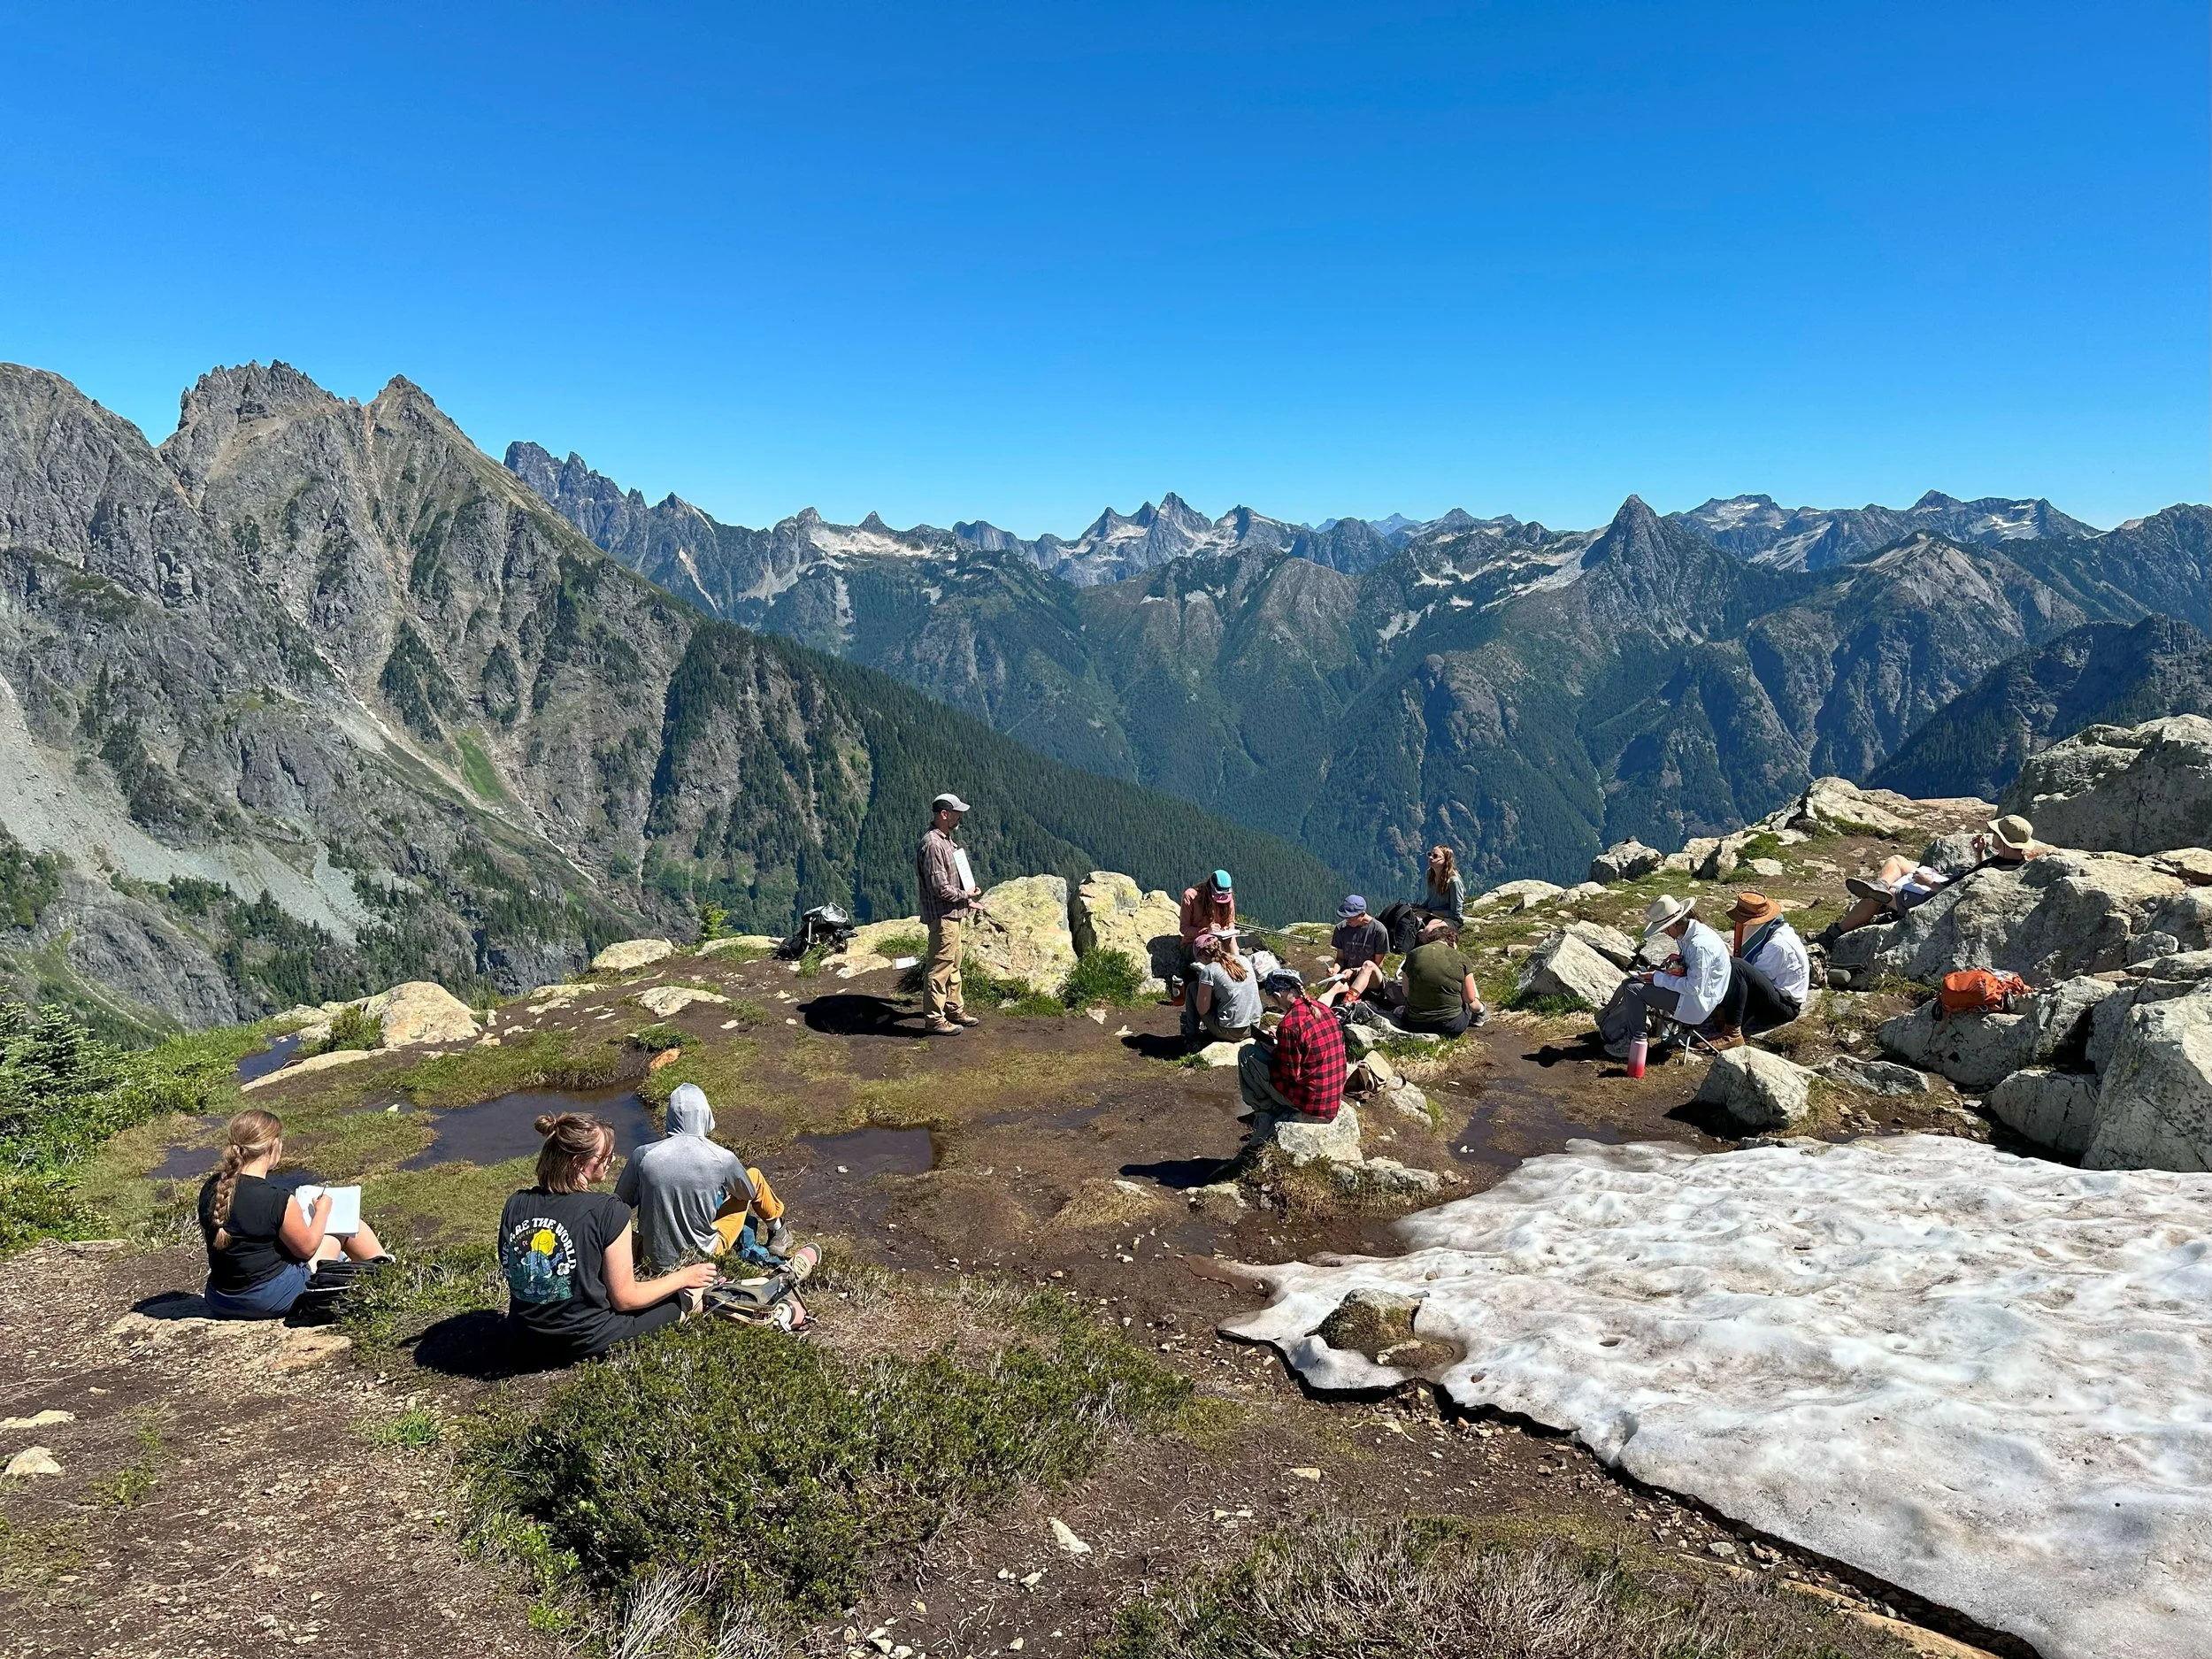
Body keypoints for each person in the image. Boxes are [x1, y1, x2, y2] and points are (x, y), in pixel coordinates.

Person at [499, 1112, 717, 1363]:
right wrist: (684, 1277)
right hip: (582, 1340)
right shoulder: (609, 1210)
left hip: (523, 1337)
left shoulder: (515, 1204)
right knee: (691, 1297)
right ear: (578, 1162)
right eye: (604, 1156)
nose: (611, 1161)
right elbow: (625, 1299)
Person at [197, 1110, 392, 1318]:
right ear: (273, 1147)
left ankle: (383, 1271)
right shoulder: (276, 1199)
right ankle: (389, 1277)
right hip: (269, 1299)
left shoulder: (213, 1188)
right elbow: (306, 1250)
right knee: (346, 1226)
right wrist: (322, 1212)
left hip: (220, 1298)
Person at [615, 1082, 788, 1272]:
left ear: (670, 1117)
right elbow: (747, 1193)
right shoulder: (722, 1157)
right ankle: (778, 1229)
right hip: (701, 1259)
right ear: (705, 1114)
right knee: (752, 1176)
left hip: (651, 1261)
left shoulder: (642, 1155)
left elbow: (618, 1203)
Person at [1811, 815, 2040, 949]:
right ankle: (1881, 888)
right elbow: (1973, 880)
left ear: (2005, 841)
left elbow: (1956, 896)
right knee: (1898, 860)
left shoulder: (2000, 870)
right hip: (1943, 882)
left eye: (1996, 835)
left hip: (1935, 897)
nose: (1992, 837)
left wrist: (1927, 881)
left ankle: (1834, 935)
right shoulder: (2010, 860)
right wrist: (1979, 855)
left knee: (1877, 896)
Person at [1236, 969, 1348, 1149]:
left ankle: (1264, 1115)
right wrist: (1281, 1044)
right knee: (1260, 1050)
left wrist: (1275, 1052)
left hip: (1312, 1103)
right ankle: (1267, 1111)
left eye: (1272, 997)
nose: (1274, 1002)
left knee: (1247, 1054)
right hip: (1332, 1096)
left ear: (1279, 994)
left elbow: (1288, 1075)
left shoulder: (1289, 1025)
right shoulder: (1322, 1008)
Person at [1621, 894, 1735, 1048]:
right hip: (1697, 996)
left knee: (1633, 989)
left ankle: (1636, 1043)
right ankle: (1638, 1037)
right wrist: (1672, 966)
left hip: (1697, 1003)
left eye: (1664, 930)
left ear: (1673, 925)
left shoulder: (1699, 946)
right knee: (1632, 983)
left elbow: (1693, 987)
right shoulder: (1690, 934)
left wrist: (1658, 978)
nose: (1664, 934)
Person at [917, 790, 983, 1036]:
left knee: (953, 964)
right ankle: (934, 1019)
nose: (960, 817)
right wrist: (966, 896)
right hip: (943, 917)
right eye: (956, 813)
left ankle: (954, 1008)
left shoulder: (945, 840)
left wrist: (967, 903)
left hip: (953, 913)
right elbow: (940, 888)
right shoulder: (934, 844)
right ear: (944, 814)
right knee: (940, 966)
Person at [1717, 891, 1810, 1035]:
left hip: (1784, 1005)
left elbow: (1753, 979)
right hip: (1773, 991)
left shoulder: (1778, 945)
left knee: (1738, 968)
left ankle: (1732, 1032)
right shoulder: (1767, 931)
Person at [1386, 918, 1487, 1036]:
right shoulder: (1461, 958)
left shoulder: (1413, 955)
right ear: (1452, 941)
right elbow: (1469, 998)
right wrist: (1480, 1009)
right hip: (1451, 1025)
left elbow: (1406, 992)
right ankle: (1481, 1014)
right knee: (1466, 1000)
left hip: (1415, 1023)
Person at [1181, 930, 1263, 1047]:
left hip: (1232, 1031)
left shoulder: (1209, 970)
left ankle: (1192, 1037)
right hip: (1254, 1025)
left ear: (1201, 955)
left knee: (1192, 988)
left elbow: (1202, 1009)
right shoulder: (1242, 959)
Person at [1320, 895, 1391, 1005]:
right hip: (1347, 976)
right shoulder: (1341, 928)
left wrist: (1353, 971)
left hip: (1371, 979)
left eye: (1350, 918)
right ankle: (1315, 1012)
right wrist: (1334, 969)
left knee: (1368, 965)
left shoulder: (1378, 931)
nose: (1347, 921)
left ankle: (1346, 1004)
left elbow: (1377, 965)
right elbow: (1340, 958)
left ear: (1362, 914)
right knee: (1331, 989)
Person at [1418, 846, 1465, 929]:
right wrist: (1420, 908)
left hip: (1450, 919)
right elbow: (1432, 899)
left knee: (1428, 930)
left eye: (1435, 856)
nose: (1430, 857)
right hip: (1432, 914)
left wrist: (1430, 912)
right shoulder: (1430, 874)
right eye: (1430, 854)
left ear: (1445, 860)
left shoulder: (1454, 882)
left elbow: (1456, 914)